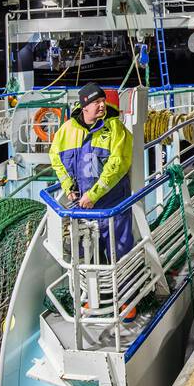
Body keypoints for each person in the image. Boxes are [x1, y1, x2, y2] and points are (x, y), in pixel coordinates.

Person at [49, 82, 135, 262]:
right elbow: (56, 159)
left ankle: (126, 288)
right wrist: (68, 187)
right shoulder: (66, 131)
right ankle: (94, 291)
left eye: (103, 100)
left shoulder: (114, 128)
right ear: (84, 106)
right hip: (83, 207)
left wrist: (93, 195)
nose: (102, 105)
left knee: (120, 254)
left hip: (114, 204)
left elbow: (118, 164)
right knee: (87, 255)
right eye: (97, 102)